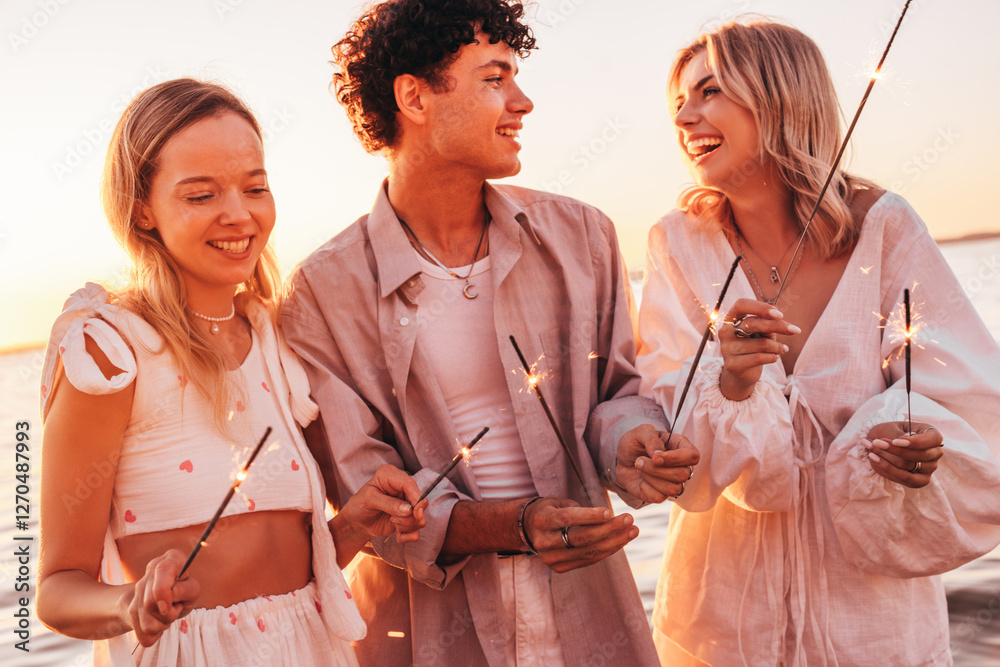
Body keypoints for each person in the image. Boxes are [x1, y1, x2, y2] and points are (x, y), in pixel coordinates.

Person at [281, 1, 700, 664]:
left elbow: (618, 391)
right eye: (495, 78)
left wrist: (634, 442)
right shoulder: (321, 292)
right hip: (425, 632)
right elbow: (365, 492)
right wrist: (519, 526)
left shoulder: (583, 236)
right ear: (413, 96)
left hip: (591, 616)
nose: (523, 101)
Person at [635, 18, 1000, 666]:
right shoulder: (677, 243)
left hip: (877, 626)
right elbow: (665, 440)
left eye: (709, 90)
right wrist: (733, 382)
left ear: (778, 94)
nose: (684, 117)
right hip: (724, 624)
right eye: (678, 104)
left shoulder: (884, 227)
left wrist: (925, 447)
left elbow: (976, 407)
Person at [36, 78, 427, 667]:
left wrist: (353, 524)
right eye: (200, 195)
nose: (238, 215)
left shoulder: (278, 341)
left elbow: (289, 575)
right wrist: (129, 605)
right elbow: (57, 588)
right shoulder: (112, 350)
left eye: (255, 188)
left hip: (312, 648)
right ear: (142, 209)